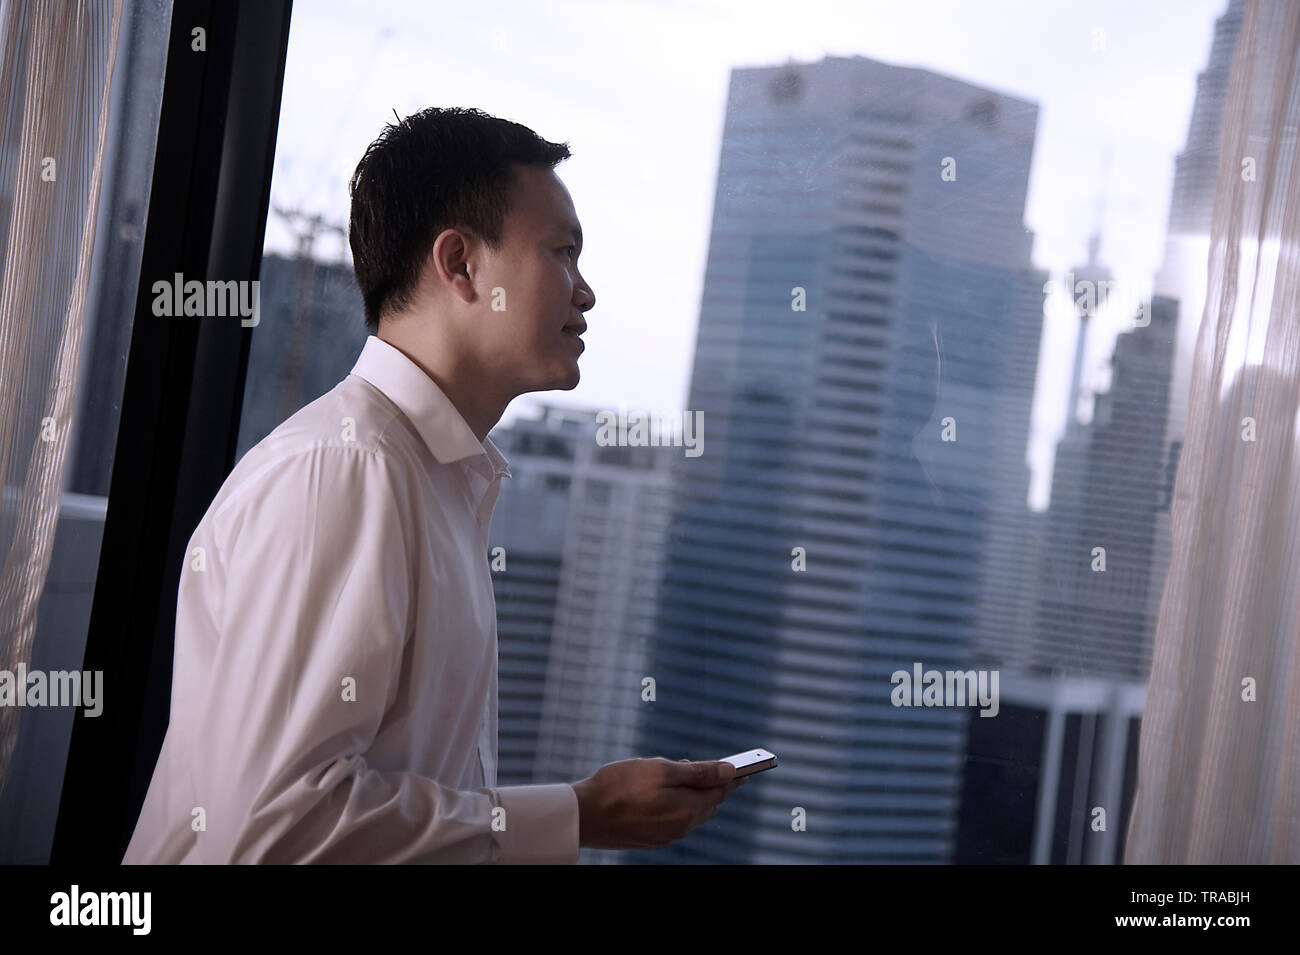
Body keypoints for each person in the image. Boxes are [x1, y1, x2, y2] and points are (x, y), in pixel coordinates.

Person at [122, 106, 745, 864]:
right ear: (460, 265)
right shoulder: (348, 469)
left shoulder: (429, 476)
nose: (585, 293)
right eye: (562, 252)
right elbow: (278, 828)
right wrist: (578, 812)